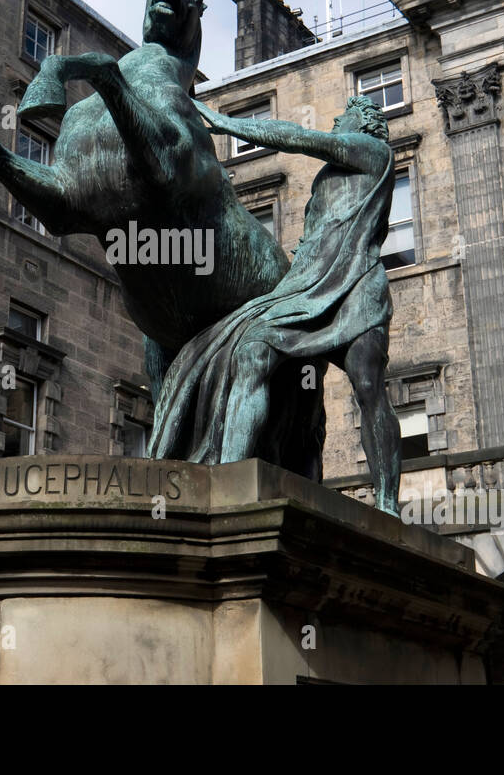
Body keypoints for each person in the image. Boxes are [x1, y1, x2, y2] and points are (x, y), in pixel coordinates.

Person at [149, 94, 402, 513]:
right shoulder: (329, 179)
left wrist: (223, 123)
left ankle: (388, 502)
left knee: (369, 386)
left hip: (357, 287)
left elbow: (297, 137)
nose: (338, 118)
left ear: (366, 124)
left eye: (347, 115)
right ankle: (229, 476)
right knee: (251, 350)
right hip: (307, 290)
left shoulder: (374, 153)